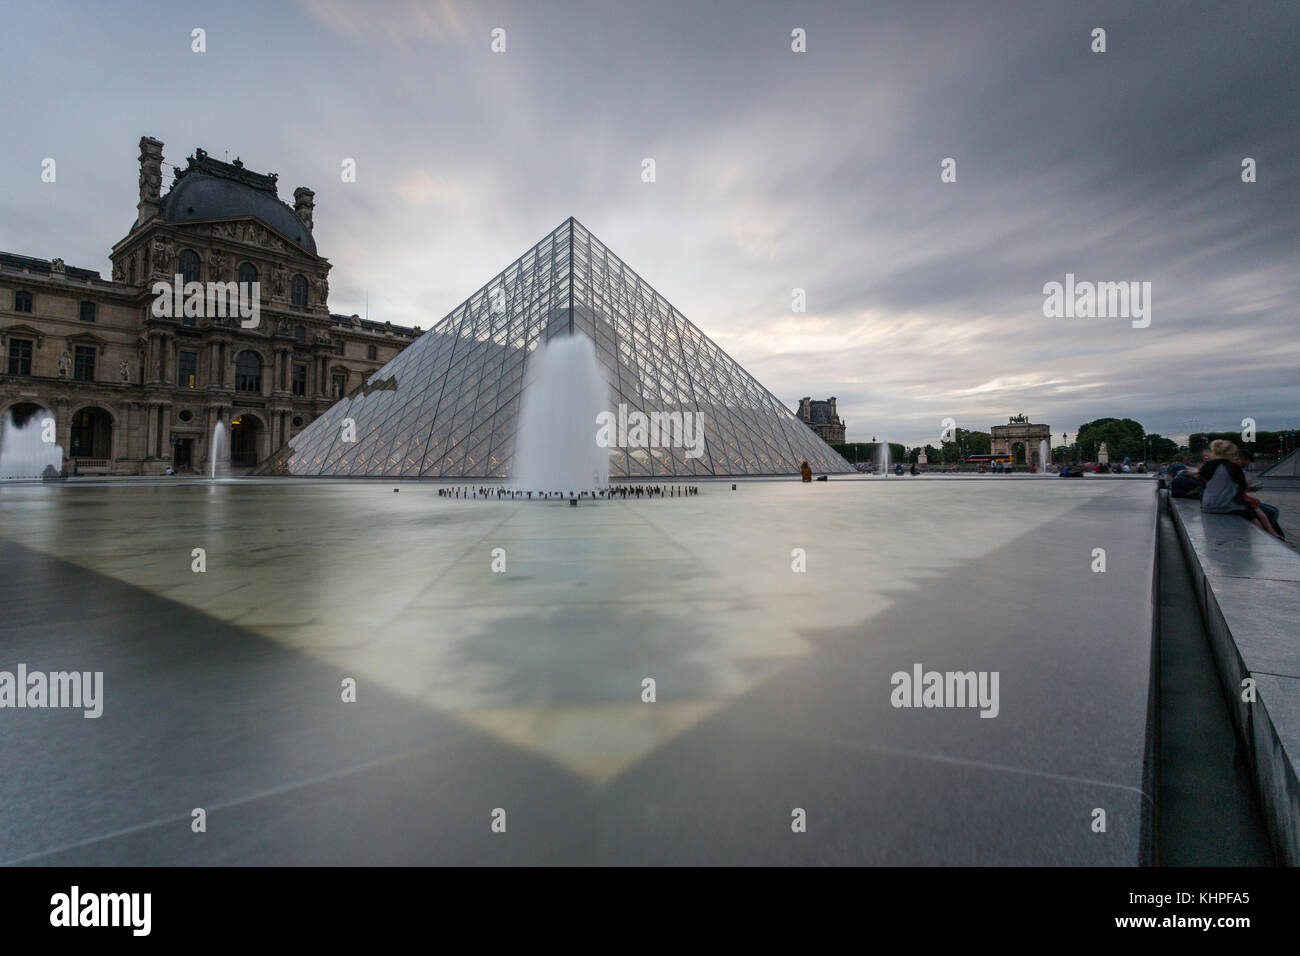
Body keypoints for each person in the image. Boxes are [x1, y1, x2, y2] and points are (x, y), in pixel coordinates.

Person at [1198, 440, 1279, 536]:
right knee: (1254, 517)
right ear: (1231, 453)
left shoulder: (1207, 466)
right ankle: (1269, 535)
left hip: (1207, 505)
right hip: (1225, 506)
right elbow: (1241, 487)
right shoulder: (1233, 467)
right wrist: (1251, 488)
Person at [1237, 450, 1285, 539]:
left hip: (1241, 499)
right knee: (1271, 511)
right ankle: (1270, 535)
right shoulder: (1233, 470)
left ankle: (1277, 535)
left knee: (1272, 510)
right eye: (1245, 464)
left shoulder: (1235, 469)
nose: (1245, 467)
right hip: (1239, 501)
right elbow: (1236, 489)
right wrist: (1249, 489)